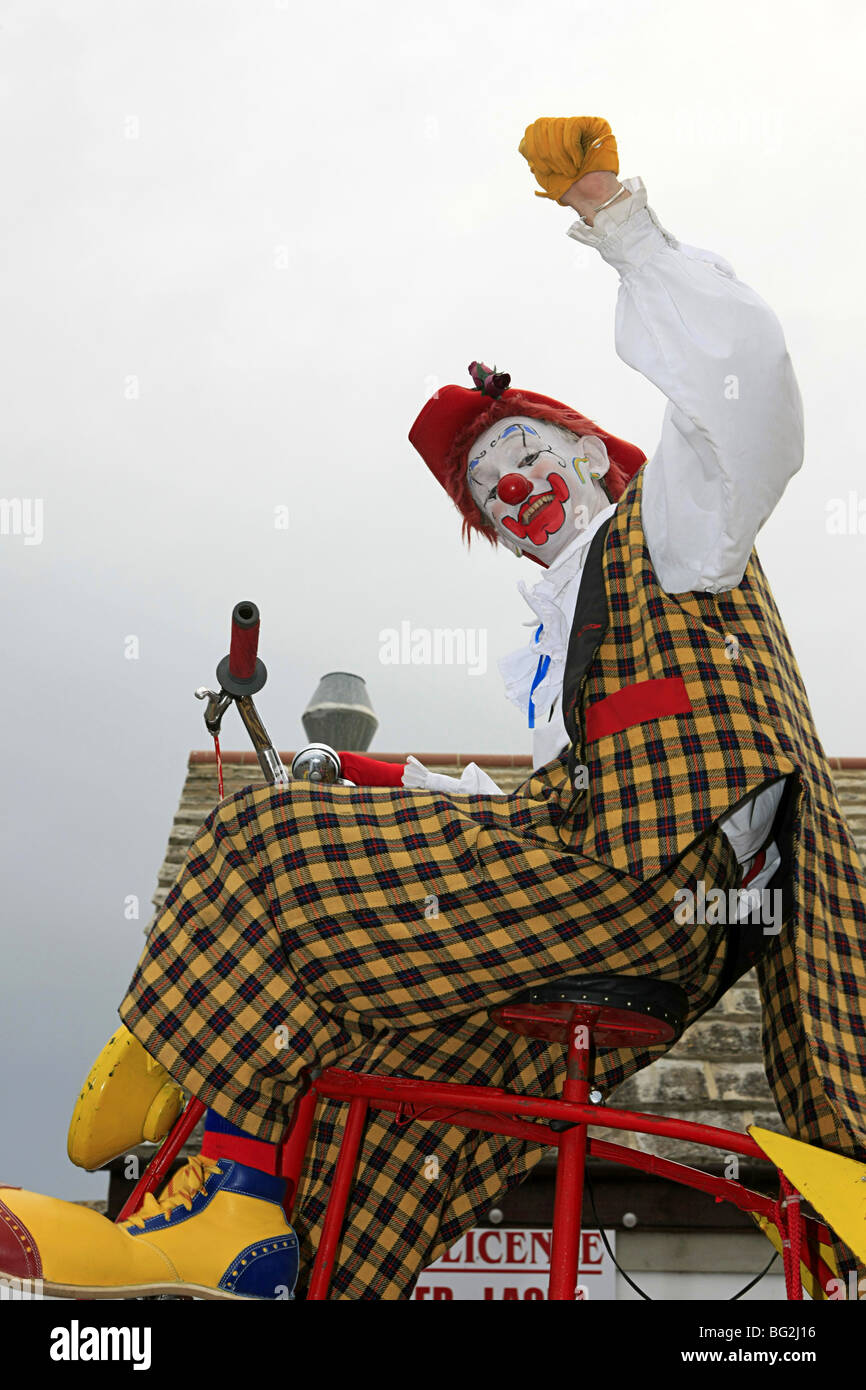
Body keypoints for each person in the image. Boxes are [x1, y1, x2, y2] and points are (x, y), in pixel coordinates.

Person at [2, 116, 864, 1301]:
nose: (505, 487)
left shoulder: (670, 529)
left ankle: (180, 1098)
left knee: (262, 846)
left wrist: (617, 220)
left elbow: (748, 390)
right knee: (369, 1080)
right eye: (484, 492)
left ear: (581, 449)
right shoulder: (566, 631)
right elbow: (553, 797)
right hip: (609, 898)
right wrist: (390, 784)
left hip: (647, 888)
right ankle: (244, 1237)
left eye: (517, 452)